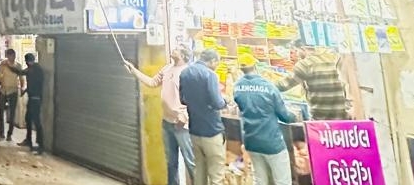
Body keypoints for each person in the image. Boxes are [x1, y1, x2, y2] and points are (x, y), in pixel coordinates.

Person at [125, 45, 195, 185]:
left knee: (190, 161)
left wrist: (184, 117)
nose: (173, 50)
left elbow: (194, 98)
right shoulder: (167, 69)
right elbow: (152, 82)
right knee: (171, 162)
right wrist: (134, 71)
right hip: (167, 122)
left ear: (183, 55)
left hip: (181, 125)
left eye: (177, 49)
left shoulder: (188, 72)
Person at [233, 54, 294, 185]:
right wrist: (295, 116)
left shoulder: (237, 87)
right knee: (282, 180)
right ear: (255, 66)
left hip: (251, 140)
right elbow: (284, 116)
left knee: (260, 180)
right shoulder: (268, 86)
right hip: (272, 141)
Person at [179, 49, 228, 185]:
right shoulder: (210, 75)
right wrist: (226, 101)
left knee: (199, 171)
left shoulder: (185, 73)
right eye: (217, 63)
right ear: (212, 61)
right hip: (211, 131)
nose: (217, 66)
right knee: (216, 174)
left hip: (194, 130)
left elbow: (183, 100)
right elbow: (217, 103)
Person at [276, 41, 349, 120]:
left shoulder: (305, 64)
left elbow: (284, 85)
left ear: (303, 49)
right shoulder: (334, 58)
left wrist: (265, 85)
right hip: (342, 115)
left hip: (320, 116)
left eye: (296, 51)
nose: (297, 54)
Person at [12, 52, 45, 154]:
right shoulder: (34, 69)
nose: (26, 64)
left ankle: (41, 146)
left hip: (36, 99)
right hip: (33, 98)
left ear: (28, 61)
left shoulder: (35, 69)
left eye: (27, 62)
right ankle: (29, 141)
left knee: (36, 122)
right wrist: (25, 90)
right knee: (28, 119)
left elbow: (22, 72)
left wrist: (10, 67)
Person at [0, 48, 23, 142]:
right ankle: (1, 134)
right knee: (0, 112)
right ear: (7, 56)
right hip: (4, 90)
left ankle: (9, 134)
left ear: (14, 56)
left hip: (13, 91)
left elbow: (21, 78)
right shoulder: (3, 64)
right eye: (9, 55)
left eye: (12, 55)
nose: (11, 57)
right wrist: (0, 82)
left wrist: (22, 88)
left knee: (12, 114)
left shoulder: (18, 66)